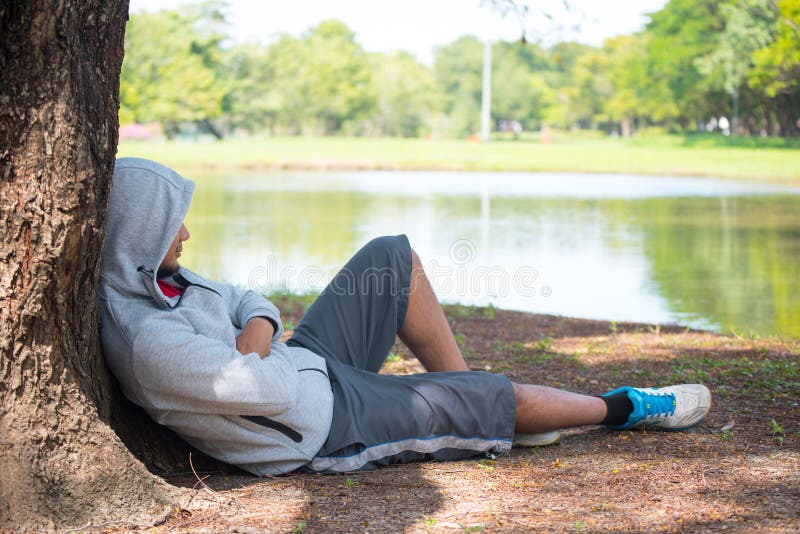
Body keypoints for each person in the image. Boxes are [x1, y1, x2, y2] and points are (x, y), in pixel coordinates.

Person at [99, 158, 712, 476]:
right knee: (491, 394)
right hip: (324, 427)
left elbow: (254, 304)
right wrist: (260, 337)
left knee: (391, 253)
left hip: (312, 367)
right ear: (139, 231)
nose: (186, 232)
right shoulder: (150, 341)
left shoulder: (165, 279)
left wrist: (254, 335)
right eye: (171, 221)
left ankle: (479, 404)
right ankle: (625, 407)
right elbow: (274, 387)